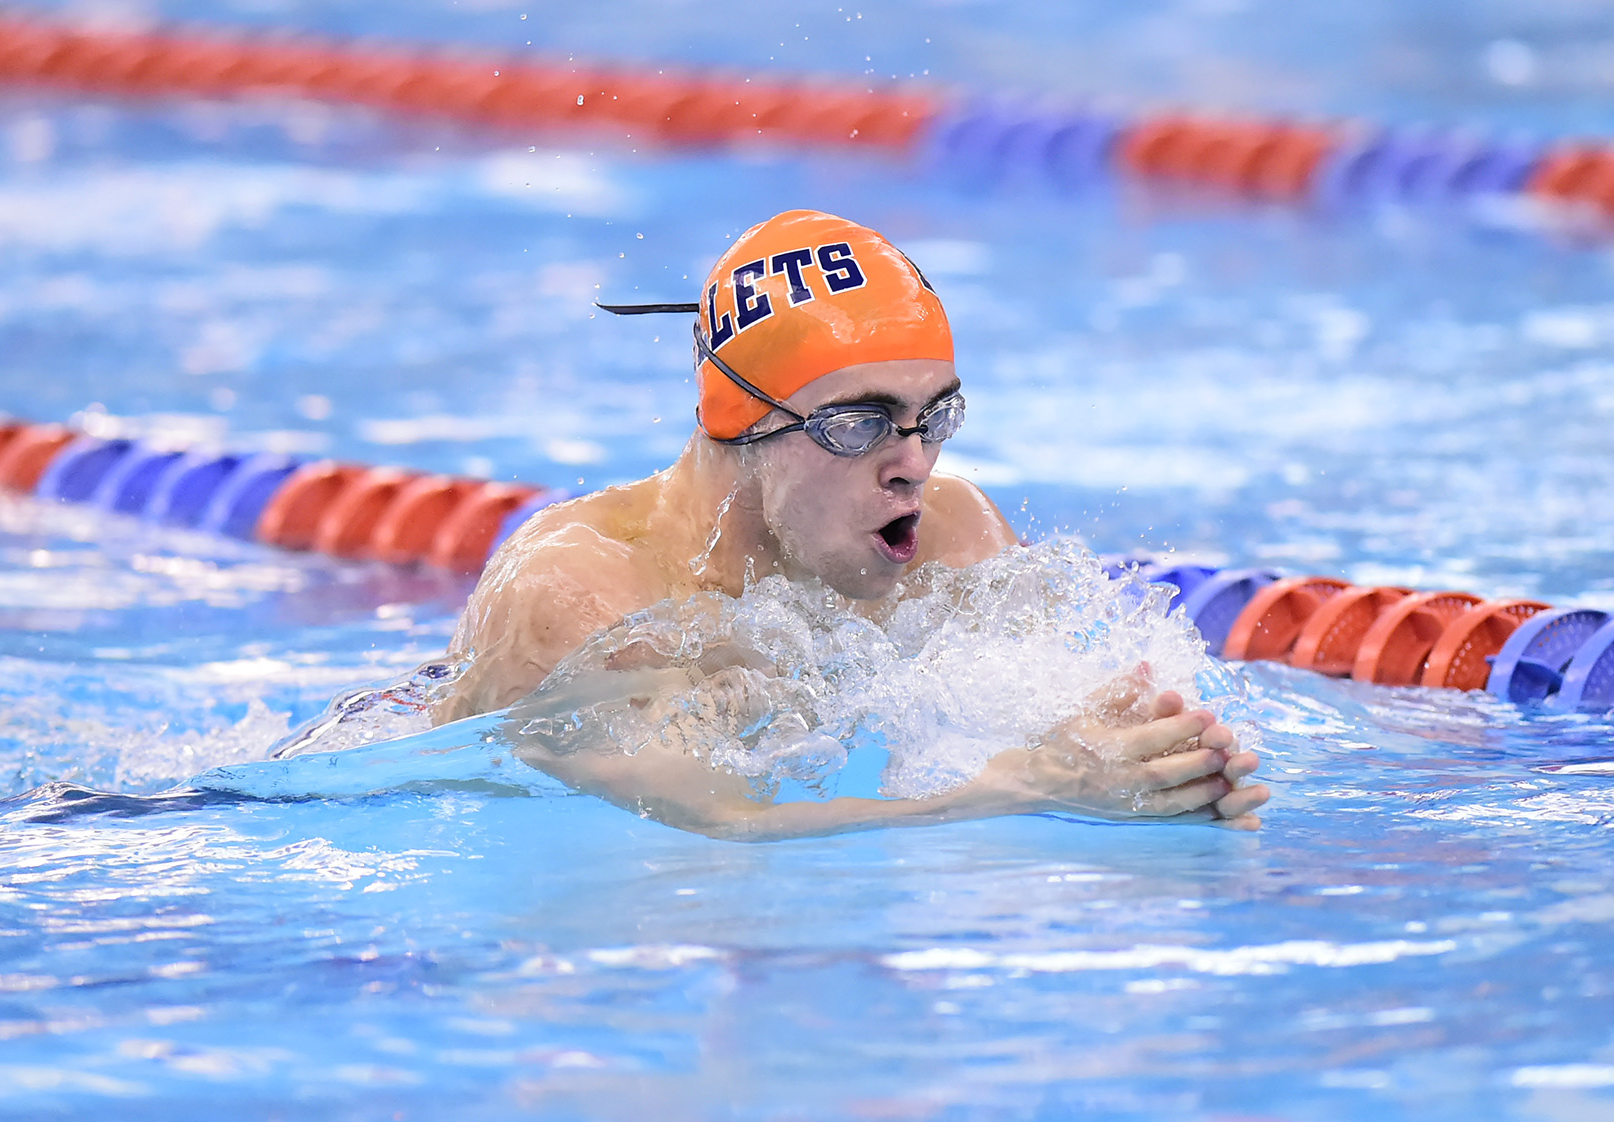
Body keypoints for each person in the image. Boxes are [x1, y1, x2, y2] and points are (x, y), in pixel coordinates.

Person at [430, 209, 1268, 840]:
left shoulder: (957, 535)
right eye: (858, 423)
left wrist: (1157, 765)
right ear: (741, 424)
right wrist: (1023, 785)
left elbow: (1064, 732)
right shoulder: (586, 592)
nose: (914, 464)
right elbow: (719, 830)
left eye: (934, 416)